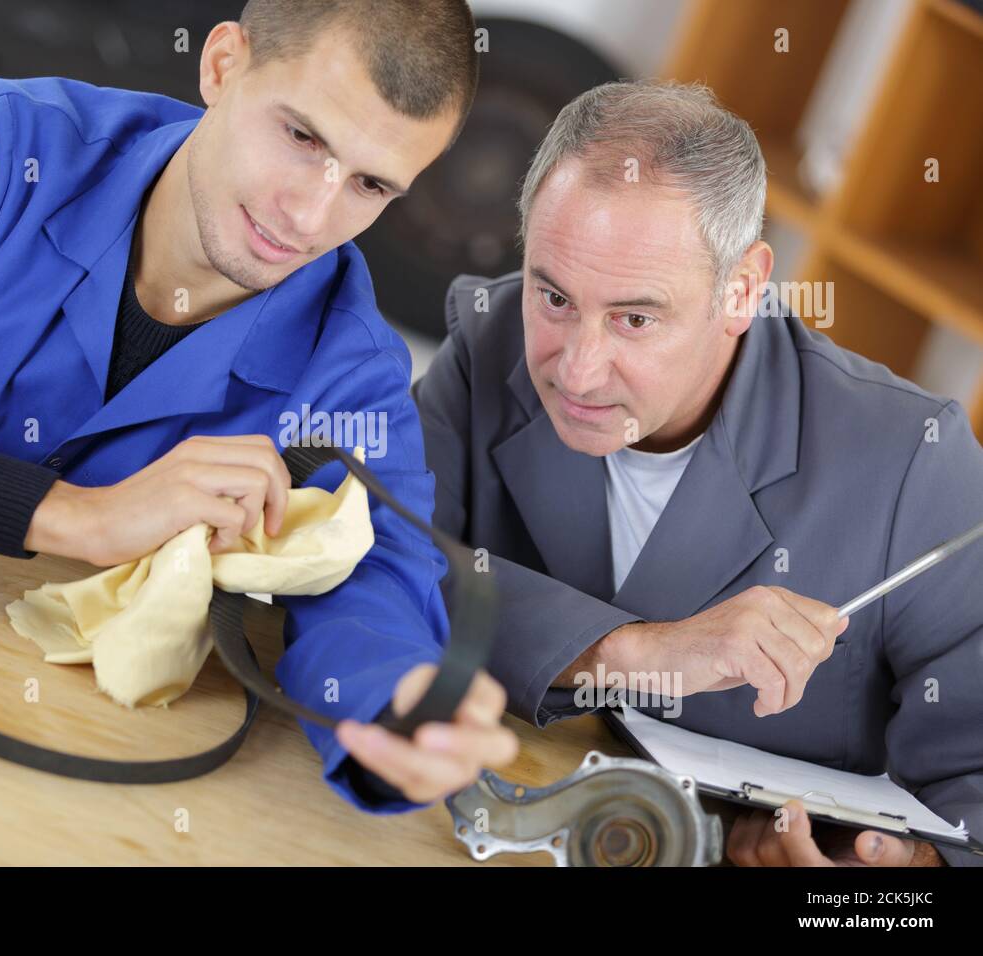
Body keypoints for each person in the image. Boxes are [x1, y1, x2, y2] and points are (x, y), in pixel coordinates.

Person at [0, 0, 517, 813]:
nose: (310, 215)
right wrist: (73, 516)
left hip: (21, 750)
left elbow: (372, 584)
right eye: (302, 137)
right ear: (222, 64)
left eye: (370, 184)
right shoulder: (1, 147)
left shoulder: (353, 373)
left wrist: (391, 699)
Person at [413, 80, 983, 864]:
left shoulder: (917, 461)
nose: (576, 372)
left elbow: (974, 809)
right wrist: (636, 652)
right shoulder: (486, 344)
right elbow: (380, 561)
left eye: (635, 319)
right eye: (553, 295)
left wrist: (884, 878)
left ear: (742, 290)